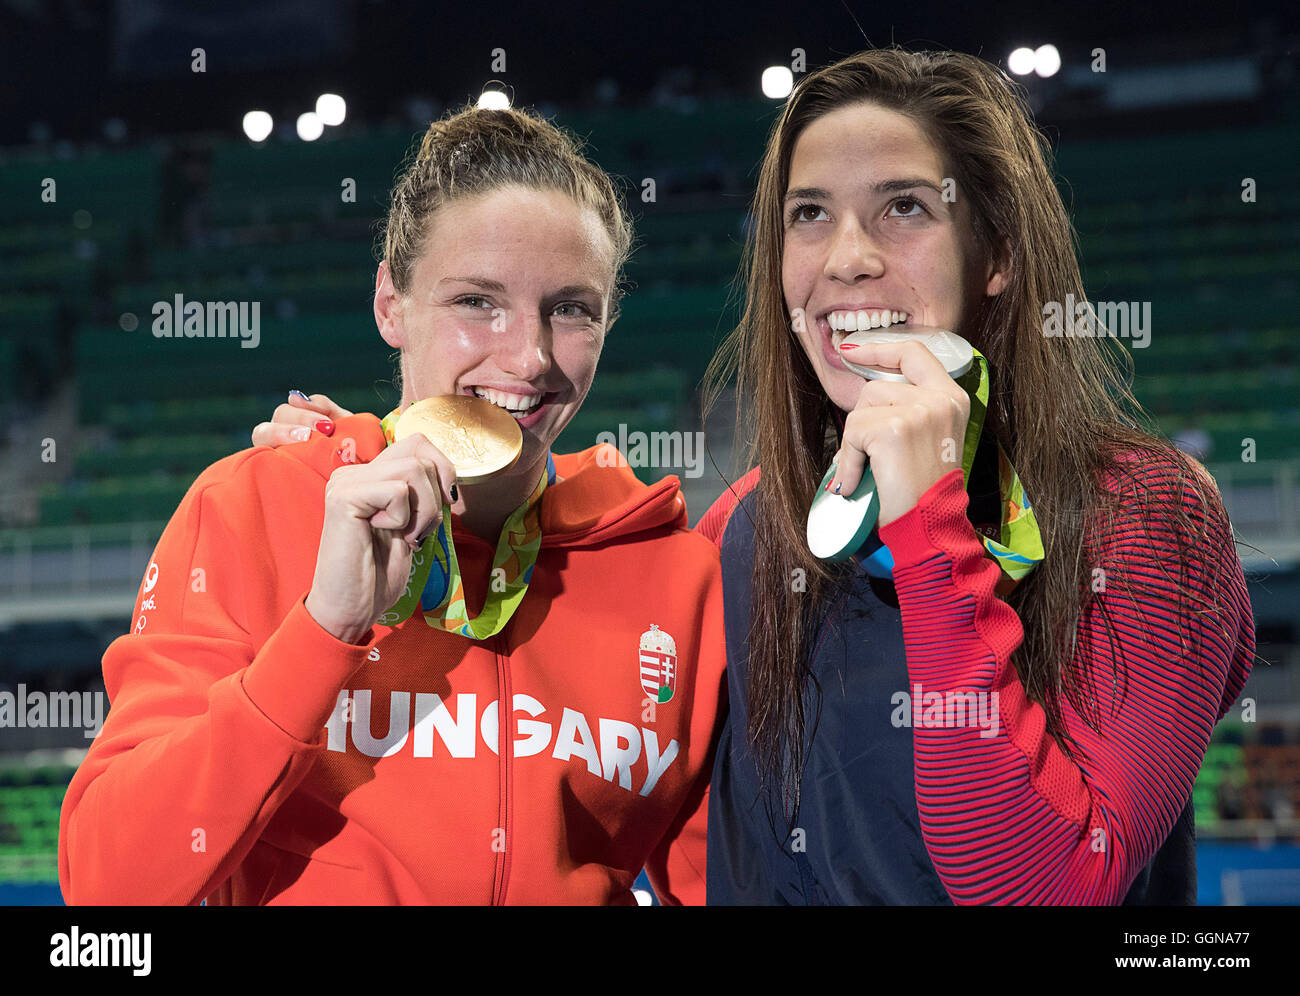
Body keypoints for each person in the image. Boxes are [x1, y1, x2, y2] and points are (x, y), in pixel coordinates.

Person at [255, 47, 1257, 906]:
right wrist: (364, 450)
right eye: (809, 216)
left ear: (995, 251)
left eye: (904, 208)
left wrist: (934, 529)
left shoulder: (1145, 517)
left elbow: (1036, 885)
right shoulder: (741, 533)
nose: (848, 259)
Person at [58, 104, 726, 906]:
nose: (529, 356)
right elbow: (107, 882)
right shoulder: (252, 508)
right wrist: (323, 629)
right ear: (390, 304)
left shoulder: (674, 573)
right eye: (476, 301)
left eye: (571, 308)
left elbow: (718, 885)